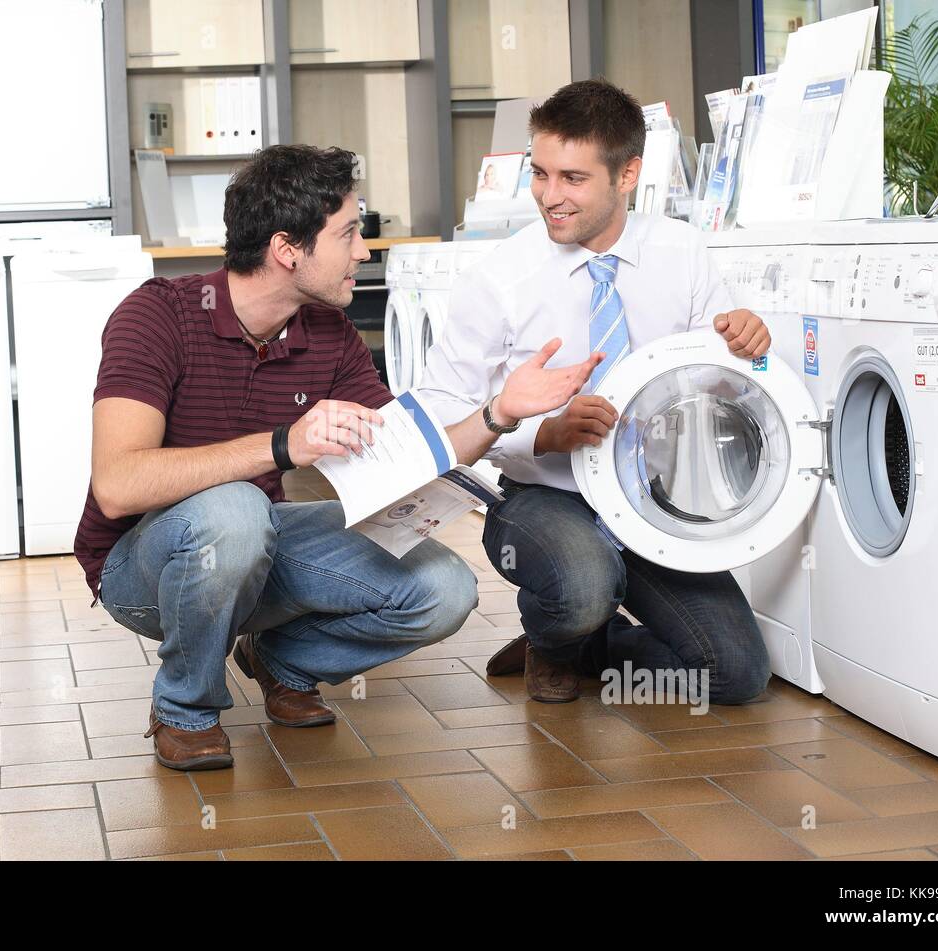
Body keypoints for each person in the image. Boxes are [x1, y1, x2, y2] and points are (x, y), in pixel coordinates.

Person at [75, 144, 603, 770]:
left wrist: (500, 413)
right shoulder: (157, 315)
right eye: (349, 232)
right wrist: (284, 444)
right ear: (287, 249)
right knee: (237, 509)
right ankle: (184, 708)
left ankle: (281, 660)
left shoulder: (325, 329)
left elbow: (407, 456)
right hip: (139, 569)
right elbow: (117, 484)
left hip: (254, 540)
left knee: (443, 588)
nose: (363, 250)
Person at [416, 80, 774, 706]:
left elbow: (721, 381)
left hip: (651, 503)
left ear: (628, 174)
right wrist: (541, 432)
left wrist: (746, 341)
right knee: (583, 581)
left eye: (573, 179)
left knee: (736, 674)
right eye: (541, 174)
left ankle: (586, 646)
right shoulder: (497, 279)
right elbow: (441, 416)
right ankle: (557, 633)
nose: (550, 198)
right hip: (543, 498)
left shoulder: (682, 253)